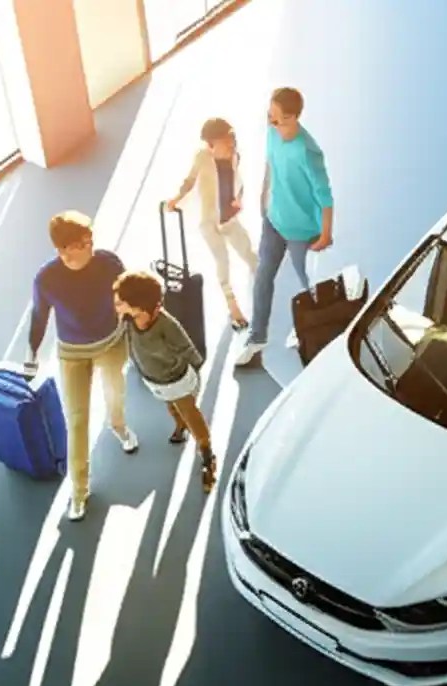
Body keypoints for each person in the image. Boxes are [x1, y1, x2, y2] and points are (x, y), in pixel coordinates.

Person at [27, 210, 138, 522]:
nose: (64, 254)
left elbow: (128, 296)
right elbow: (39, 316)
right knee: (77, 420)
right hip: (72, 353)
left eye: (70, 247)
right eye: (59, 248)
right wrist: (32, 352)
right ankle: (79, 492)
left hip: (112, 343)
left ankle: (118, 426)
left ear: (87, 241)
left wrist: (140, 324)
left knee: (115, 394)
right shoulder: (46, 277)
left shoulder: (109, 264)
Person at [235, 87, 335, 367]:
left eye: (278, 119)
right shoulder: (271, 133)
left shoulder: (308, 151)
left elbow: (325, 195)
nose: (272, 124)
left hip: (302, 230)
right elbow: (271, 167)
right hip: (274, 221)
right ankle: (257, 336)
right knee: (263, 276)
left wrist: (325, 233)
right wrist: (263, 203)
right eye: (270, 117)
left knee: (309, 285)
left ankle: (312, 330)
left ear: (293, 118)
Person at [113, 269, 218, 492]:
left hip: (176, 380)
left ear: (139, 306)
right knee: (171, 408)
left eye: (121, 302)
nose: (116, 306)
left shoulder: (166, 325)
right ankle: (180, 426)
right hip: (154, 380)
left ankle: (207, 453)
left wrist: (196, 374)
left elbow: (188, 350)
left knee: (189, 413)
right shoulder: (127, 320)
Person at [167, 117, 259, 330]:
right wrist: (175, 199)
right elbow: (189, 181)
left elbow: (239, 181)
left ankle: (263, 288)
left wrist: (239, 199)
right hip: (209, 223)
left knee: (249, 253)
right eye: (225, 141)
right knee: (223, 263)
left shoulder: (235, 156)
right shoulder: (203, 158)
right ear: (211, 145)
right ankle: (233, 306)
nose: (230, 144)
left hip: (229, 218)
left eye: (231, 138)